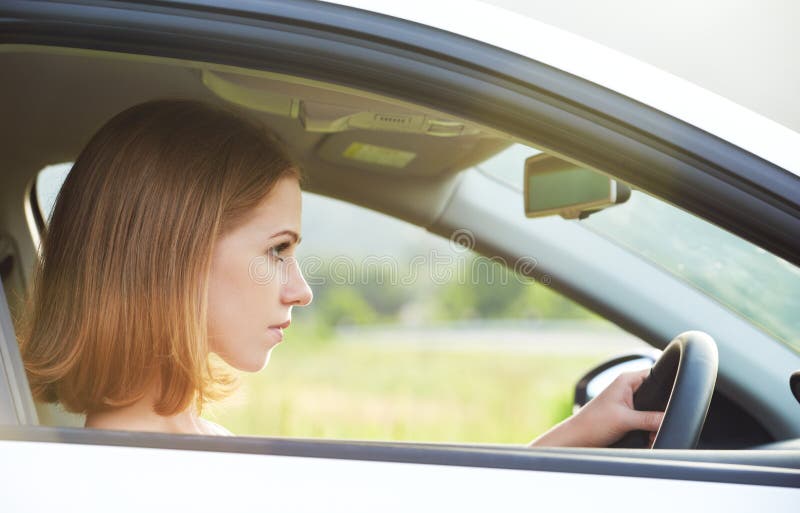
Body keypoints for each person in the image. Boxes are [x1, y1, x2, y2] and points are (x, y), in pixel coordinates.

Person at [18, 99, 663, 445]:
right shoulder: (133, 483)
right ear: (171, 259)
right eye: (276, 251)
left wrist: (580, 431)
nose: (301, 290)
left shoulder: (184, 443)